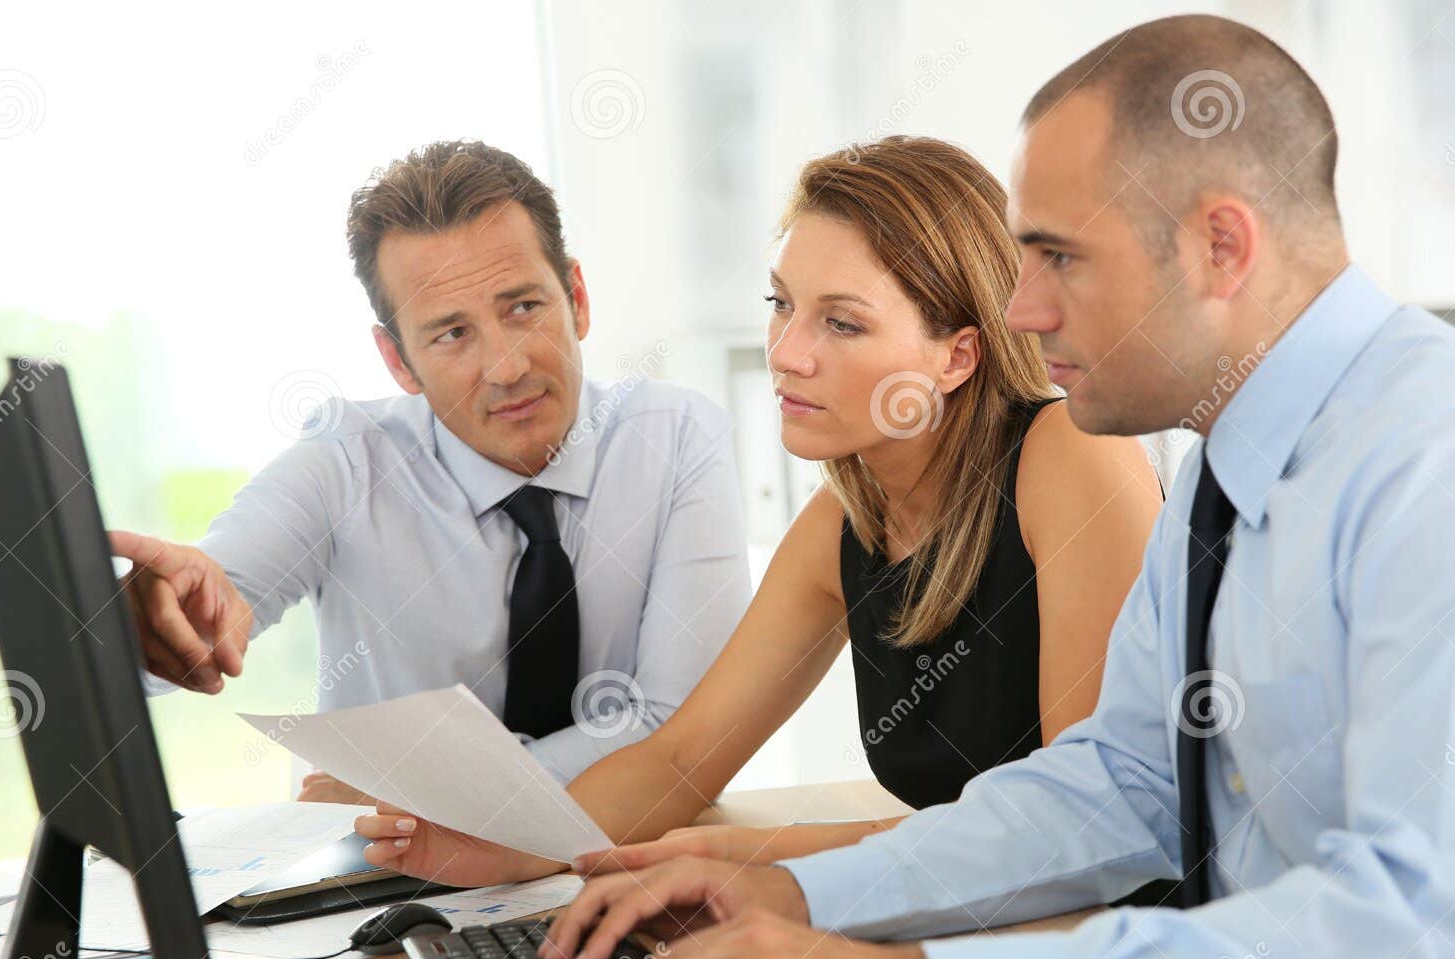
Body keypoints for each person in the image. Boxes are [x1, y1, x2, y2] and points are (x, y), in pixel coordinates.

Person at [536, 15, 1455, 959]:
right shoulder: (1221, 472)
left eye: (1059, 257)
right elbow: (1120, 785)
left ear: (1221, 248)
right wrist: (793, 891)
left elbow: (1423, 939)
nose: (1020, 310)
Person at [354, 136, 1161, 884]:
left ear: (956, 355)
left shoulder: (1072, 455)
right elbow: (679, 760)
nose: (786, 353)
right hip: (983, 935)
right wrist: (503, 846)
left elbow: (1081, 820)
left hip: (1132, 947)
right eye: (781, 303)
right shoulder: (846, 521)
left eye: (841, 322)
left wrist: (752, 855)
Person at [108, 140, 751, 791]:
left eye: (523, 308)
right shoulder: (344, 463)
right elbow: (203, 607)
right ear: (397, 361)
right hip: (388, 857)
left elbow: (683, 726)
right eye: (452, 334)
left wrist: (426, 793)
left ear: (577, 299)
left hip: (630, 843)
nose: (507, 368)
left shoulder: (676, 440)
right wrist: (154, 626)